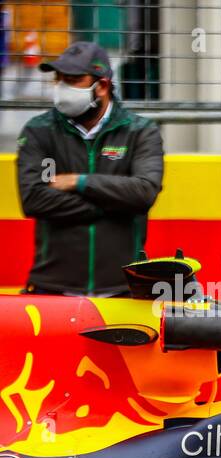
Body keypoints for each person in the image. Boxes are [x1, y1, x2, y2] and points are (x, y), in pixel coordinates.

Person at [17, 41, 163, 297]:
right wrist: (113, 205)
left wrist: (79, 182)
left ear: (102, 86)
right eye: (59, 78)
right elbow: (34, 199)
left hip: (122, 288)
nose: (62, 87)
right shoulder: (39, 131)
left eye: (73, 79)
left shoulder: (140, 132)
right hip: (52, 288)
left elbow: (144, 192)